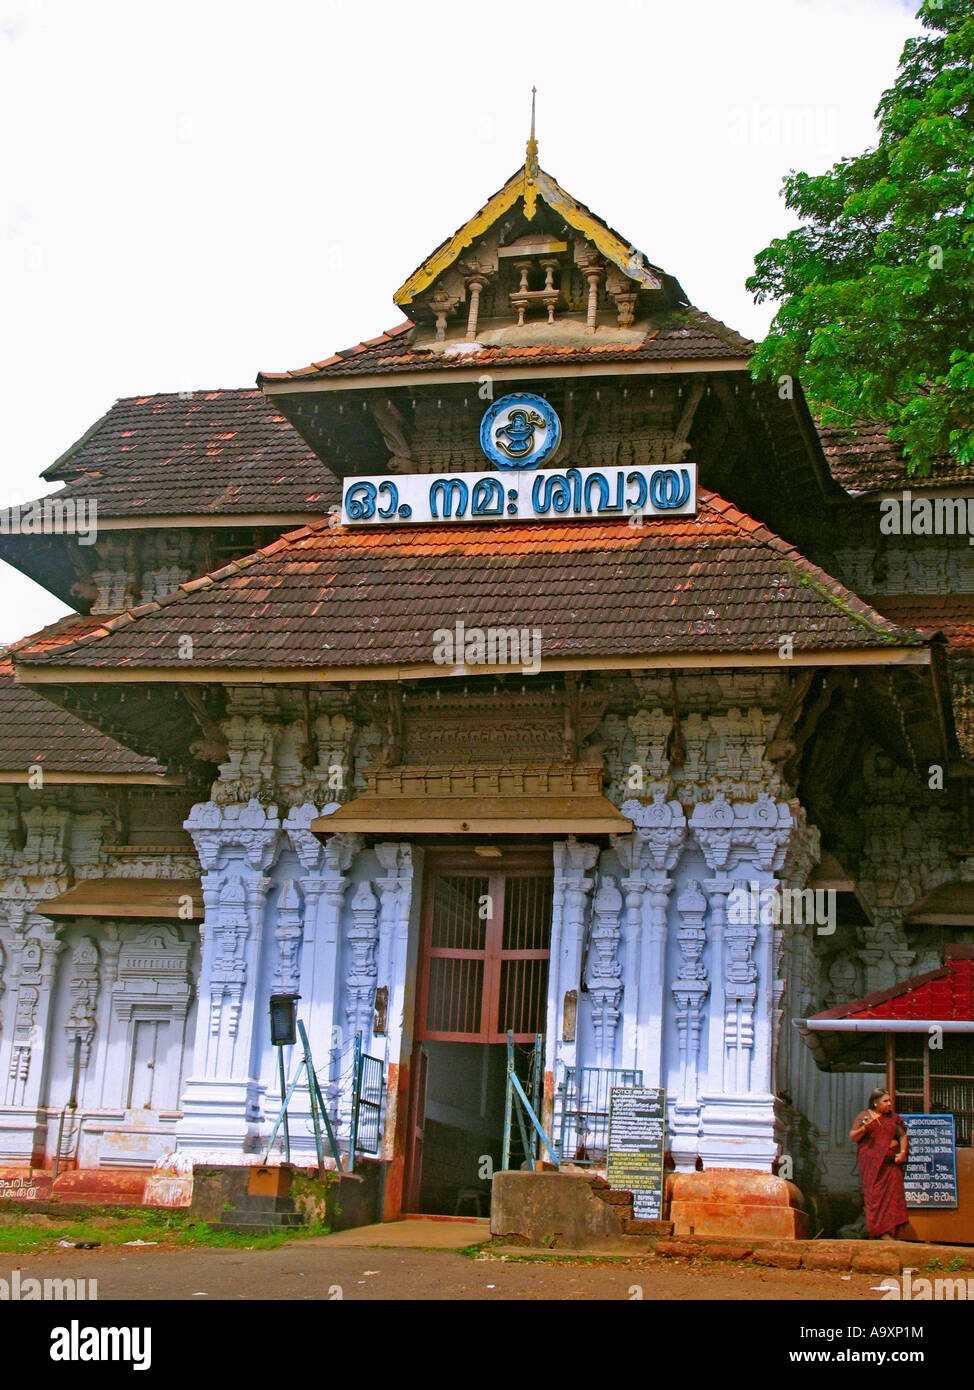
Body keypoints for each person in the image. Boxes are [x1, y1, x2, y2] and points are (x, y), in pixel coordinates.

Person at [850, 1088, 909, 1240]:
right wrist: (865, 1127)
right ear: (876, 1103)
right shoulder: (865, 1116)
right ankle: (880, 1233)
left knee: (894, 1197)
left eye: (890, 1101)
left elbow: (902, 1136)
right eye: (886, 1101)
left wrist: (902, 1153)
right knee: (875, 1198)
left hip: (890, 1166)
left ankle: (892, 1232)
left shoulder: (893, 1118)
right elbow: (853, 1136)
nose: (889, 1104)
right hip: (872, 1166)